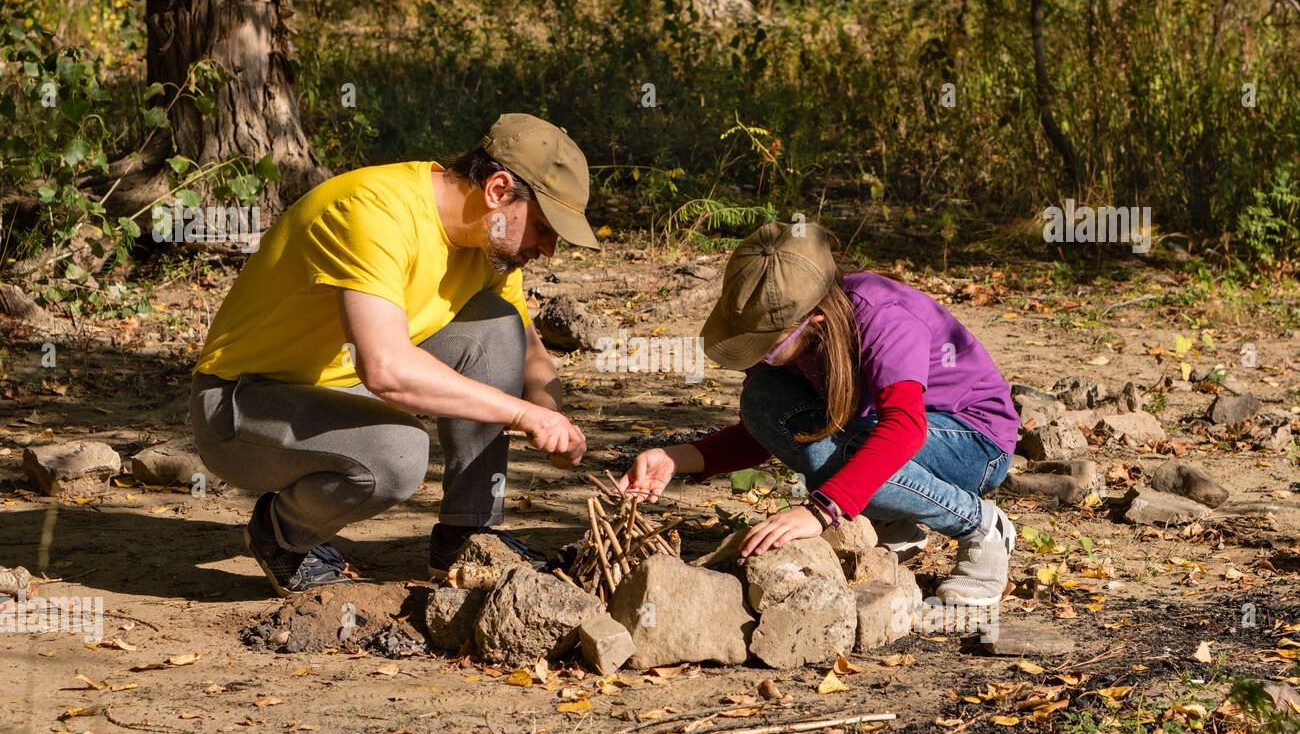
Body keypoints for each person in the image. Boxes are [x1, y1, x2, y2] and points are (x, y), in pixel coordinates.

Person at [190, 113, 595, 597]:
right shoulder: (372, 212)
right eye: (546, 228)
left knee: (496, 324)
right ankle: (279, 535)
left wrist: (553, 421)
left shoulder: (487, 243)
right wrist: (521, 413)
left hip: (345, 391)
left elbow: (528, 353)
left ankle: (467, 538)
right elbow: (385, 370)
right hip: (241, 405)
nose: (548, 249)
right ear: (499, 190)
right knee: (399, 454)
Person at [616, 220, 1020, 606]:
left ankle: (981, 525)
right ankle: (895, 518)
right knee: (764, 396)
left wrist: (822, 510)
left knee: (848, 451)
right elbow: (763, 430)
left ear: (814, 318)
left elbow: (904, 428)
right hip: (880, 434)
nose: (758, 354)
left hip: (974, 444)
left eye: (766, 343)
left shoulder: (883, 316)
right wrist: (676, 457)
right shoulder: (790, 342)